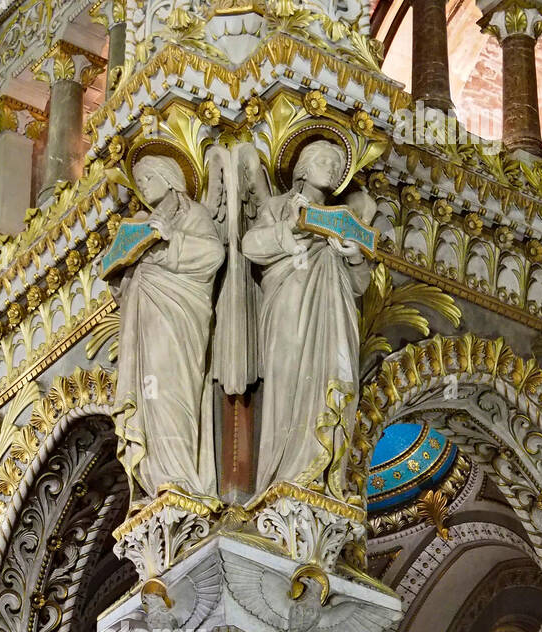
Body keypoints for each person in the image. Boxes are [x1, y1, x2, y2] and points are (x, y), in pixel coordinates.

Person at [242, 139, 375, 498]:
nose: (330, 168)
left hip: (334, 312)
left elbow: (361, 284)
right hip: (289, 305)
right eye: (322, 160)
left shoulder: (342, 220)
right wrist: (294, 229)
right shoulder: (277, 206)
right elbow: (250, 246)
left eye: (335, 164)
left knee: (336, 379)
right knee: (290, 383)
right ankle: (287, 472)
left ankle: (325, 473)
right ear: (301, 167)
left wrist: (354, 256)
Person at [109, 155, 225, 500]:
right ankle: (159, 474)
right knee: (150, 391)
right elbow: (118, 275)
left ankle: (180, 474)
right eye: (139, 180)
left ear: (169, 176)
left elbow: (214, 254)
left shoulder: (191, 214)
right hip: (145, 322)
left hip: (179, 316)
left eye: (148, 176)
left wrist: (173, 239)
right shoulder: (141, 222)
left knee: (173, 386)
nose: (142, 184)